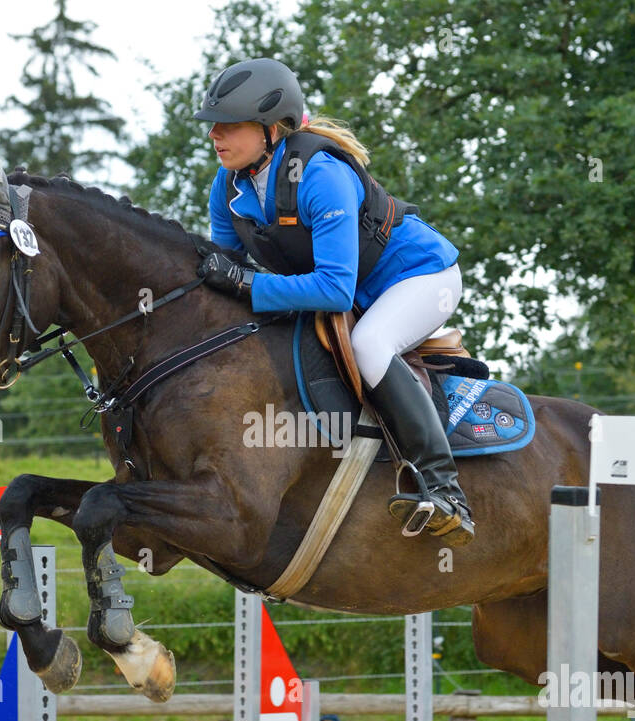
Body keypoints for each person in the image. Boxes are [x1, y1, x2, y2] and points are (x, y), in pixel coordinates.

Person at [193, 57, 475, 546]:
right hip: (353, 291)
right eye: (214, 125)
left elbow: (332, 290)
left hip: (419, 276)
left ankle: (445, 488)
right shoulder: (229, 185)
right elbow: (224, 269)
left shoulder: (320, 174)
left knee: (369, 344)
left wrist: (245, 285)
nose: (216, 135)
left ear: (271, 129)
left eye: (230, 125)